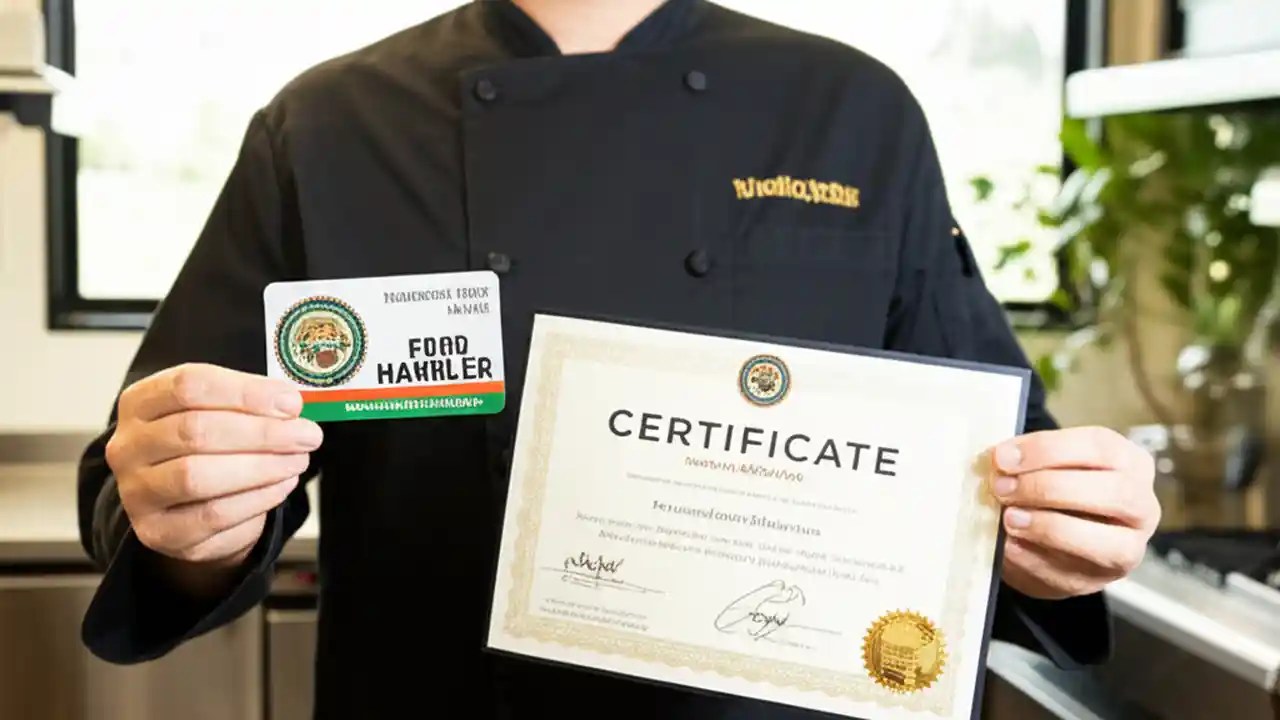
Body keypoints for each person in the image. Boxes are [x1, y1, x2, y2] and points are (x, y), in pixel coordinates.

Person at [76, 0, 1161, 717]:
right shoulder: (325, 129)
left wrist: (1062, 518)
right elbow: (152, 484)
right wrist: (188, 513)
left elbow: (993, 469)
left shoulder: (851, 112)